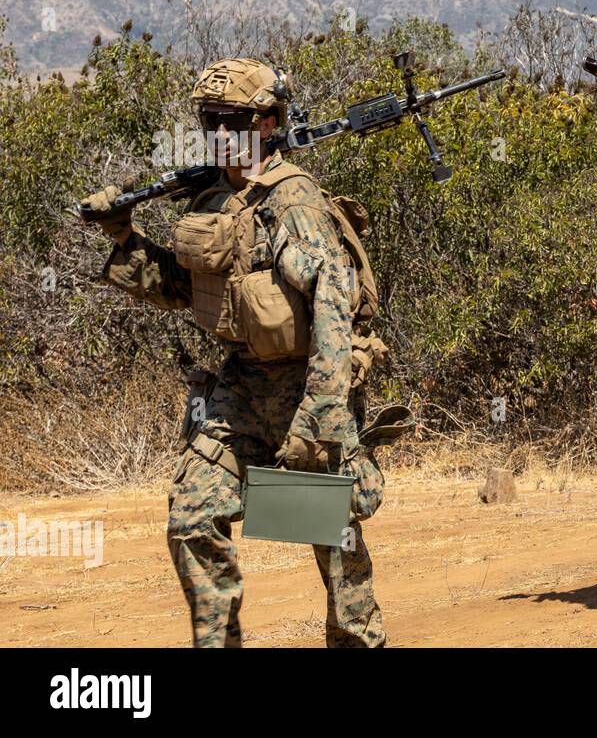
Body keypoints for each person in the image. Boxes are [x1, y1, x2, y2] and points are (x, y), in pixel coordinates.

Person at [80, 58, 387, 646]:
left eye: (231, 120)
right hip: (240, 388)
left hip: (305, 386)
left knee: (327, 531)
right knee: (192, 515)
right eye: (208, 120)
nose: (218, 132)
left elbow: (332, 306)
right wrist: (124, 237)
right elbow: (179, 287)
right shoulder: (213, 197)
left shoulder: (292, 201)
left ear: (269, 122)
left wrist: (322, 412)